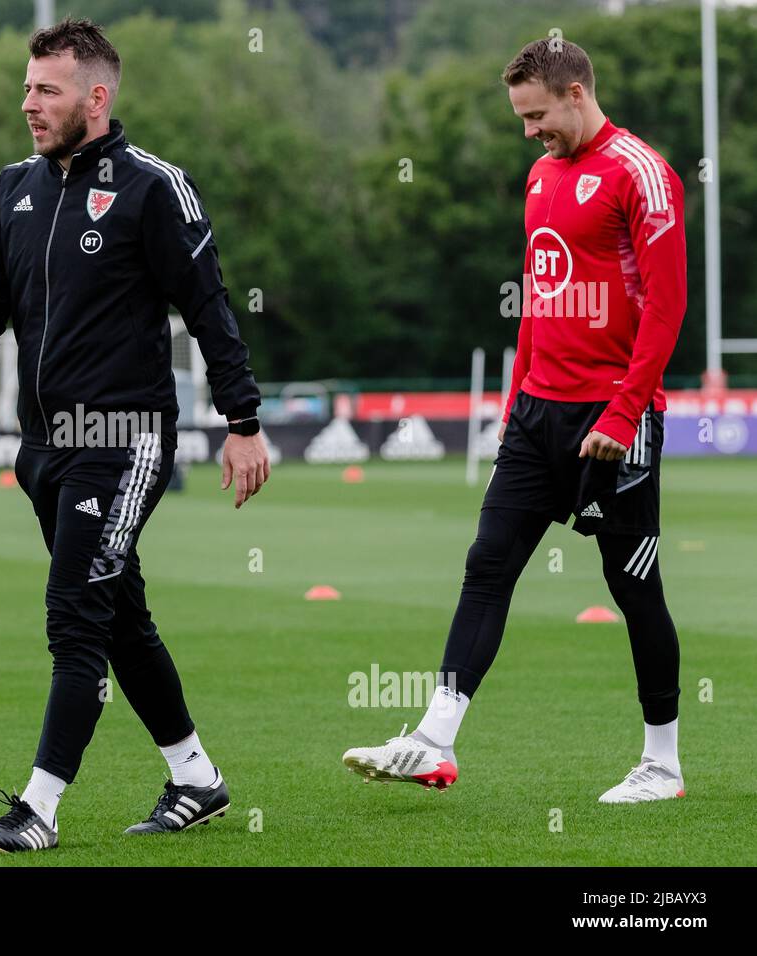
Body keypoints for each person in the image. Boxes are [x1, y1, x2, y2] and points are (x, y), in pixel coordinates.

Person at [0, 17, 270, 854]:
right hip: (41, 447)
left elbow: (210, 308)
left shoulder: (154, 187)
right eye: (27, 87)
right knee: (121, 618)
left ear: (97, 96)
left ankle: (37, 808)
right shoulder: (13, 188)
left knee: (75, 616)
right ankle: (196, 778)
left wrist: (243, 422)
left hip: (124, 440)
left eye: (46, 90)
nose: (28, 104)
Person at [343, 39, 688, 804]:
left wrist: (625, 409)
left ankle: (661, 765)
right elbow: (538, 297)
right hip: (538, 416)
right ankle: (434, 742)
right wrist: (513, 406)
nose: (530, 132)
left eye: (537, 117)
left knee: (633, 587)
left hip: (612, 421)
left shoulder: (643, 175)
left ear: (574, 93)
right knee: (487, 563)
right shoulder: (538, 178)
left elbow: (667, 307)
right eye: (521, 120)